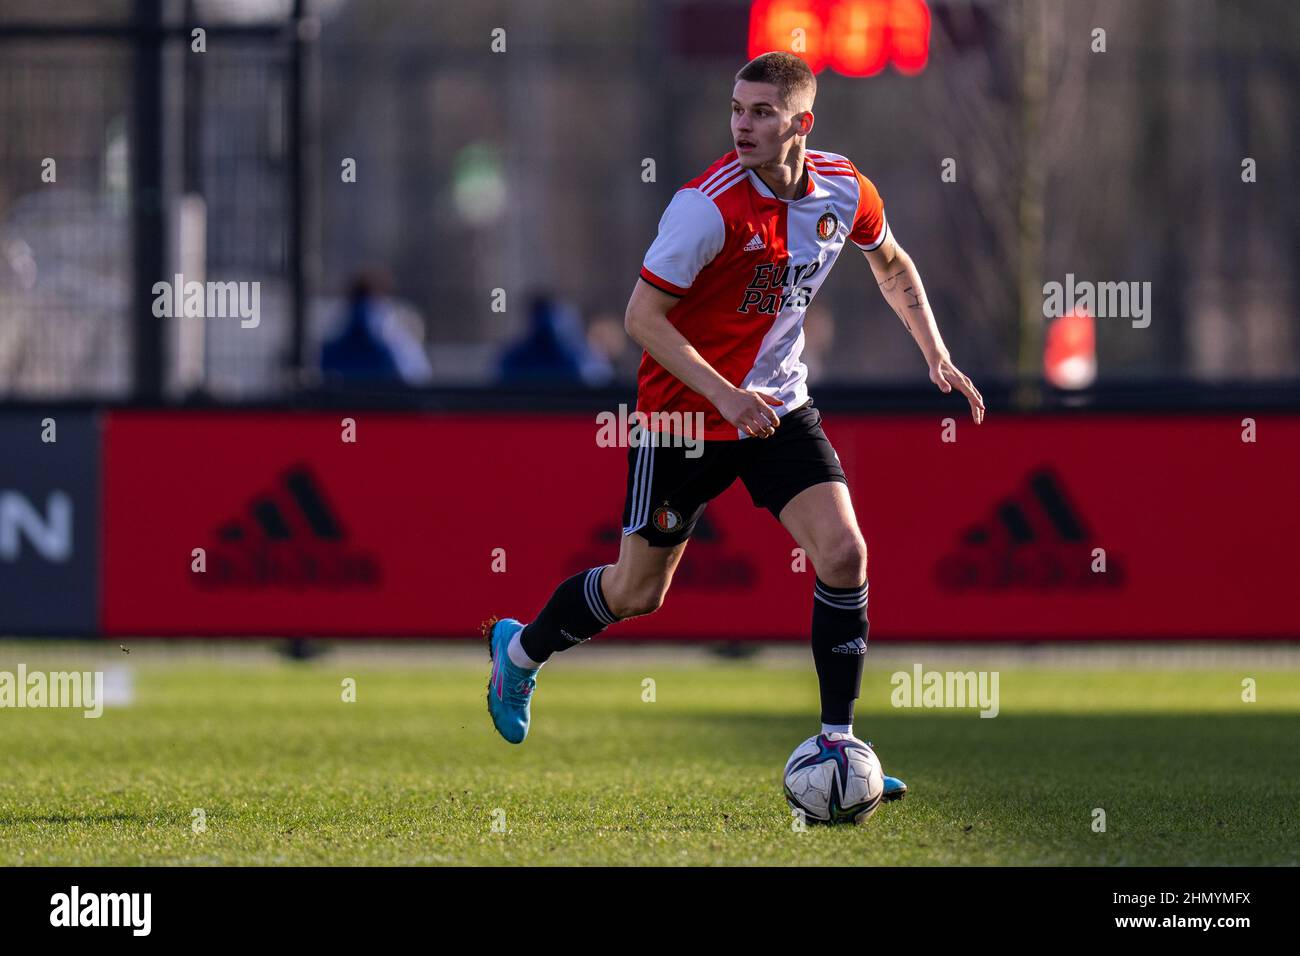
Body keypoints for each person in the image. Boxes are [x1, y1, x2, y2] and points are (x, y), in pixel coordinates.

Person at [483, 52, 985, 805]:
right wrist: (722, 396)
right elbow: (639, 321)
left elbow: (890, 262)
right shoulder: (704, 208)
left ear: (801, 124)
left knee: (845, 552)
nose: (742, 125)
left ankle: (839, 745)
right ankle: (519, 656)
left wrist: (936, 352)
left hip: (776, 408)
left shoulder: (845, 188)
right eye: (736, 109)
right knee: (635, 592)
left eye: (761, 113)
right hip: (683, 414)